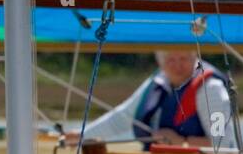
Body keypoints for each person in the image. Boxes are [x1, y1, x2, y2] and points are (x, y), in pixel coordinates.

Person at [72, 49, 234, 148]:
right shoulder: (157, 82)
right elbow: (122, 118)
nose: (177, 65)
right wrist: (81, 136)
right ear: (161, 63)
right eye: (170, 60)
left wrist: (181, 141)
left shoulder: (211, 90)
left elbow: (223, 144)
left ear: (195, 59)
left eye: (183, 59)